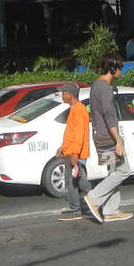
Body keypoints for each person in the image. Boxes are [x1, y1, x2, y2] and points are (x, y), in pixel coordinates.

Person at [83, 56, 132, 224]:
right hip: (108, 136)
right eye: (119, 68)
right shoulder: (104, 88)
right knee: (123, 171)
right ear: (112, 69)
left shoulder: (96, 85)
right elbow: (109, 116)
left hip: (100, 134)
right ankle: (94, 198)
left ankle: (111, 211)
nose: (121, 71)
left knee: (114, 172)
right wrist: (118, 141)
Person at [56, 83, 90, 221]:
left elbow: (79, 133)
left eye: (63, 93)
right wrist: (62, 147)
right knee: (76, 181)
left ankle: (77, 209)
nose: (62, 95)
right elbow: (71, 133)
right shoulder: (74, 109)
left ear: (70, 94)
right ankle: (92, 200)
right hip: (70, 151)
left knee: (74, 181)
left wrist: (75, 153)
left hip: (75, 153)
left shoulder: (79, 110)